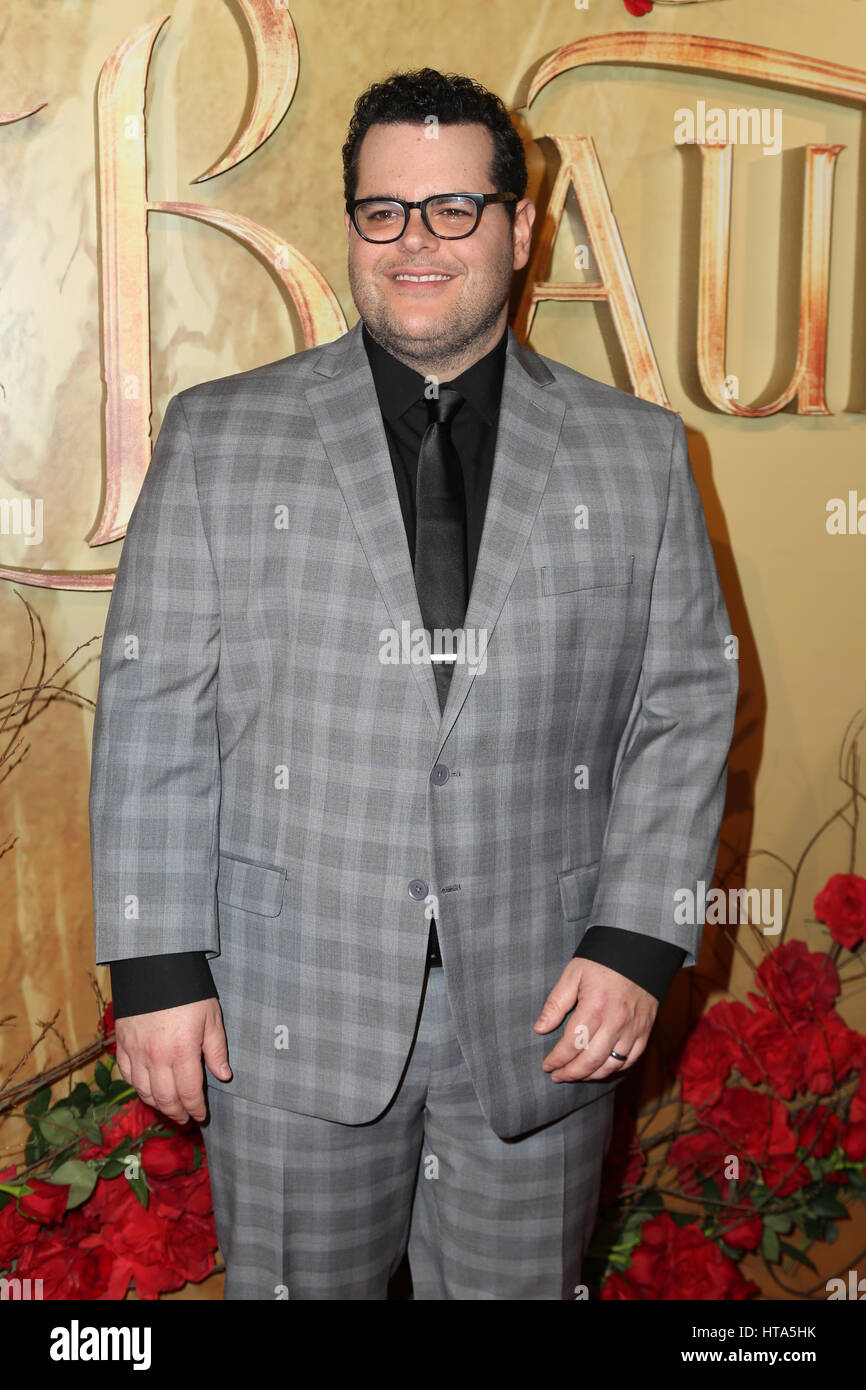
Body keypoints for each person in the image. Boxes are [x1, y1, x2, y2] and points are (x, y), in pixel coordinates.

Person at [89, 68, 739, 1300]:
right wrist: (157, 967)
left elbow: (683, 706)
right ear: (351, 226)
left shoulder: (639, 452)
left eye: (452, 209)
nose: (415, 242)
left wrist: (637, 940)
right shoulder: (220, 434)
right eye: (382, 212)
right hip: (279, 1004)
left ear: (518, 228)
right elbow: (151, 709)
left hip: (548, 1005)